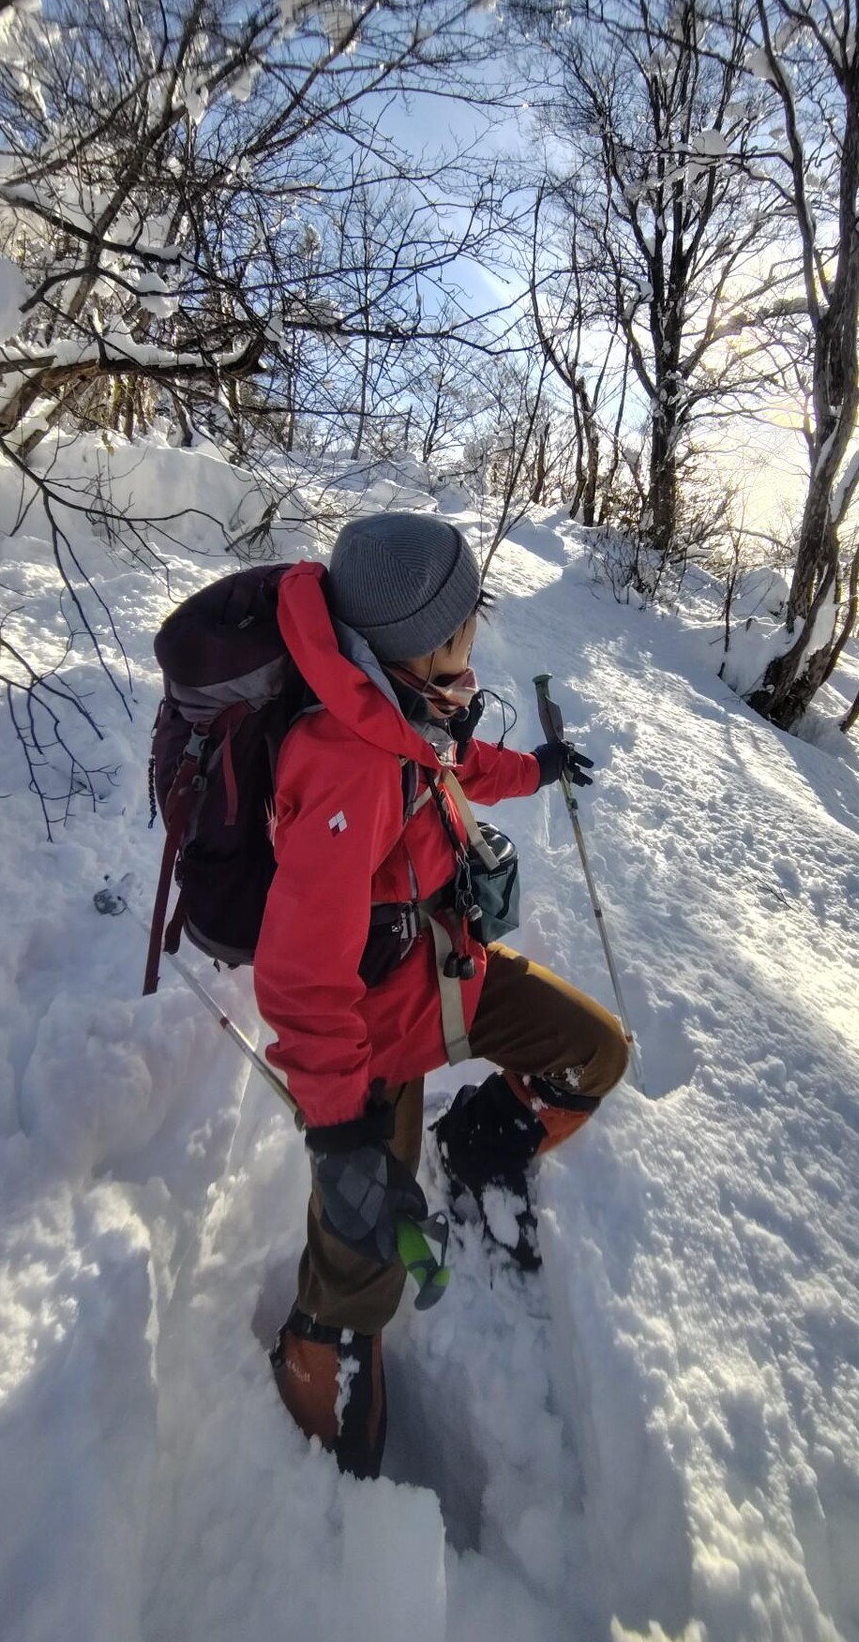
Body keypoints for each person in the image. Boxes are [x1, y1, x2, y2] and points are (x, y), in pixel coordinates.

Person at [253, 511, 629, 1479]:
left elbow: (457, 765)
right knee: (362, 1262)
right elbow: (299, 977)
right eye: (469, 620)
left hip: (450, 972)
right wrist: (339, 1137)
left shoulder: (407, 704)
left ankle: (479, 1149)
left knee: (594, 1052)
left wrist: (536, 770)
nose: (480, 633)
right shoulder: (349, 760)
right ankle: (318, 1378)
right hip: (372, 1038)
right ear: (428, 640)